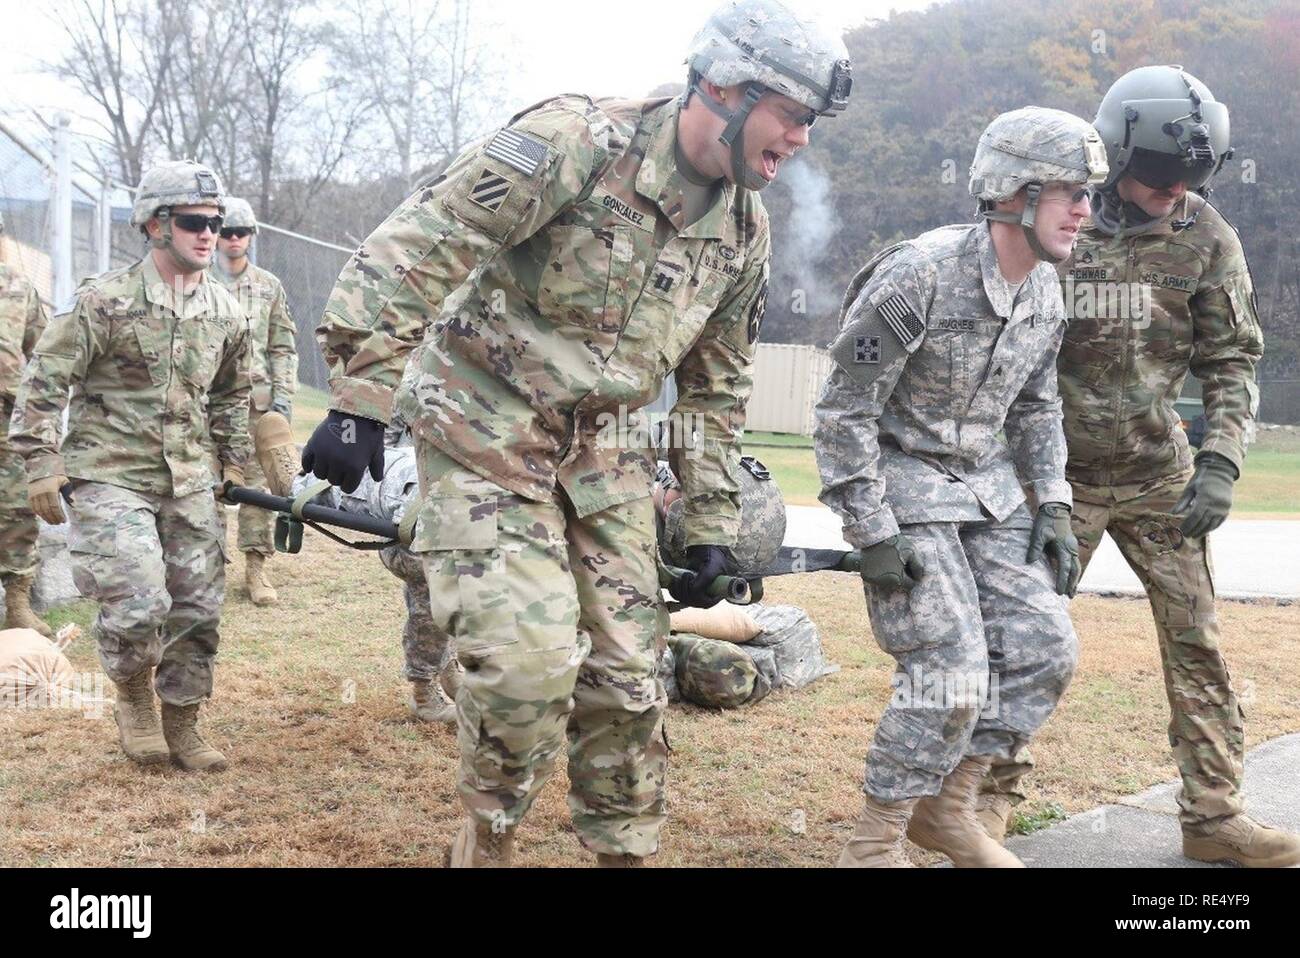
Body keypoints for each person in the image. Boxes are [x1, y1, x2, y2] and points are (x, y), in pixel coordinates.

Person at [305, 0, 851, 866]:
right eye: (793, 116)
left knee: (630, 683)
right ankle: (486, 842)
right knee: (525, 672)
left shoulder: (743, 229)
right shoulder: (577, 143)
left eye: (811, 124)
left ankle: (622, 853)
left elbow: (715, 390)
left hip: (604, 458)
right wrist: (359, 399)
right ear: (729, 88)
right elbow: (422, 243)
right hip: (485, 429)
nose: (803, 141)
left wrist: (709, 524)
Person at [978, 66, 1299, 868]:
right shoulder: (1059, 221)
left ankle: (1214, 815)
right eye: (1156, 179)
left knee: (1200, 646)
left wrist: (1221, 460)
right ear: (1114, 158)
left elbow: (1233, 359)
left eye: (1187, 181)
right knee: (1019, 643)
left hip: (1163, 477)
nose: (1170, 194)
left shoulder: (1206, 235)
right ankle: (981, 809)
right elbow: (996, 339)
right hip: (1055, 482)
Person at [815, 107, 1107, 867]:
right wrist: (870, 530)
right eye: (1070, 192)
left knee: (1046, 646)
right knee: (948, 671)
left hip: (990, 495)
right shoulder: (916, 274)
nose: (1085, 210)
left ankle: (948, 810)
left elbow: (1038, 405)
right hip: (905, 491)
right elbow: (845, 405)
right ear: (1014, 192)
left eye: (1088, 194)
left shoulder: (1045, 290)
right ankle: (873, 842)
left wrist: (1055, 503)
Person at [9, 160, 250, 772]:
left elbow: (229, 395)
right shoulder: (103, 300)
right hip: (111, 474)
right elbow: (45, 379)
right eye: (194, 222)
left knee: (198, 609)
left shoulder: (226, 310)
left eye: (216, 224)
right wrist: (40, 460)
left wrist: (237, 465)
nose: (208, 235)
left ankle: (184, 721)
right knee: (140, 602)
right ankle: (134, 697)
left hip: (190, 477)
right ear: (154, 225)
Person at [209, 196, 298, 606]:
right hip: (205, 404)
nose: (232, 240)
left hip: (255, 406)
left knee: (259, 492)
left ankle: (256, 570)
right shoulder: (196, 283)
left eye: (239, 233)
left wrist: (282, 400)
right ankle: (205, 571)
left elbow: (282, 345)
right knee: (206, 486)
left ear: (251, 237)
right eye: (225, 232)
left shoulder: (268, 287)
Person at [0, 211, 53, 635]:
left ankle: (17, 603)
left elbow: (44, 349)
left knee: (16, 506)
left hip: (6, 417)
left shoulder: (18, 288)